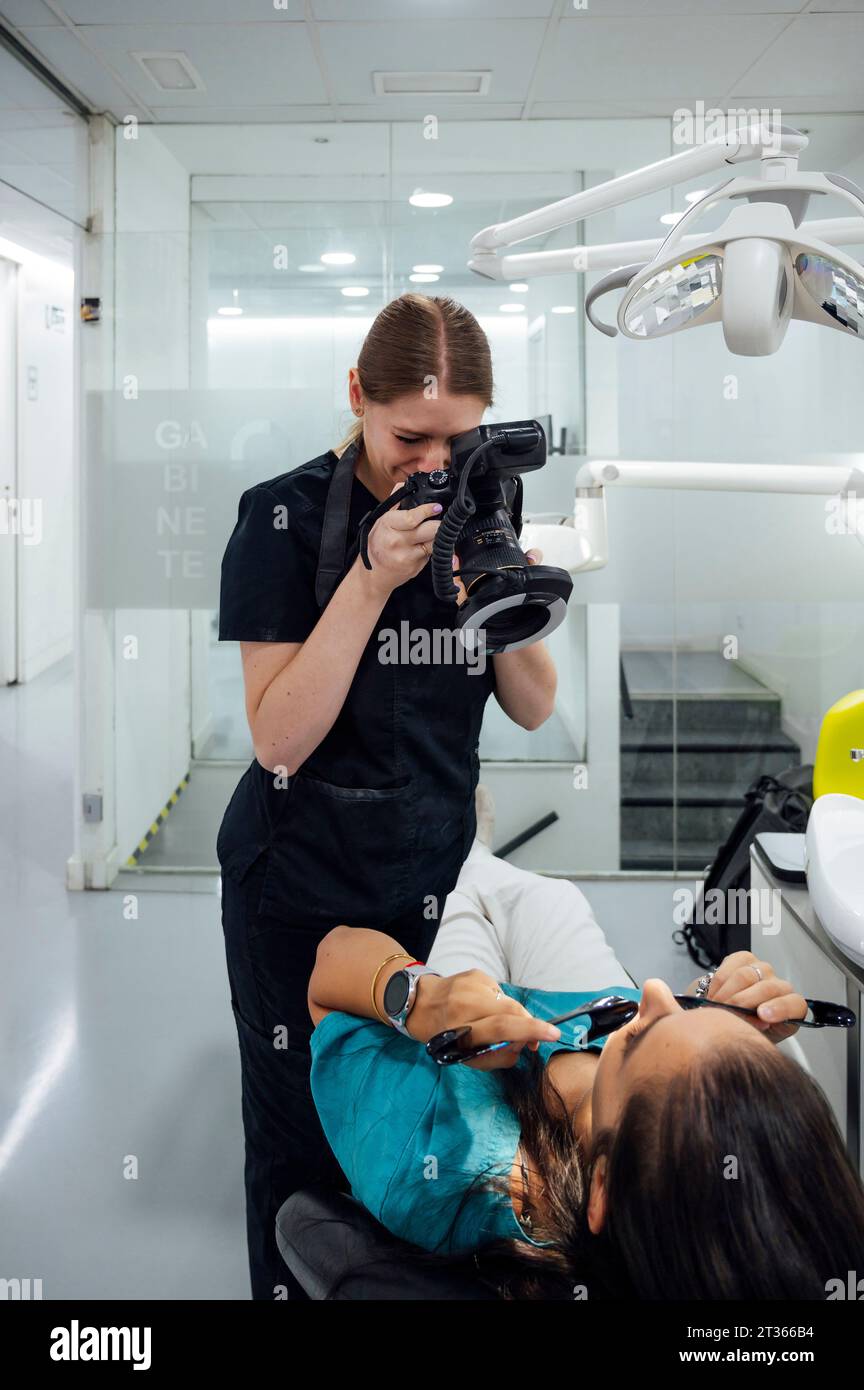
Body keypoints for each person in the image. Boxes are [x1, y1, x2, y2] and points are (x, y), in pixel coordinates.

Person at [217, 293, 557, 1300]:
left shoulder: (484, 498)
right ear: (357, 396)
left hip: (433, 874)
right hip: (298, 879)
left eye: (458, 440)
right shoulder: (279, 517)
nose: (433, 466)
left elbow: (534, 708)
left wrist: (513, 601)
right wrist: (366, 586)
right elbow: (278, 737)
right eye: (410, 438)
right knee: (304, 1139)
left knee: (425, 1128)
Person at [306, 829, 864, 1300]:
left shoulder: (441, 1161)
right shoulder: (657, 1174)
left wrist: (421, 998)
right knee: (551, 898)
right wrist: (715, 1036)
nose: (655, 989)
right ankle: (476, 840)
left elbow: (329, 974)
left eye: (651, 1032)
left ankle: (467, 841)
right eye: (693, 1005)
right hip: (583, 1015)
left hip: (484, 1037)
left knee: (456, 890)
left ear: (600, 1187)